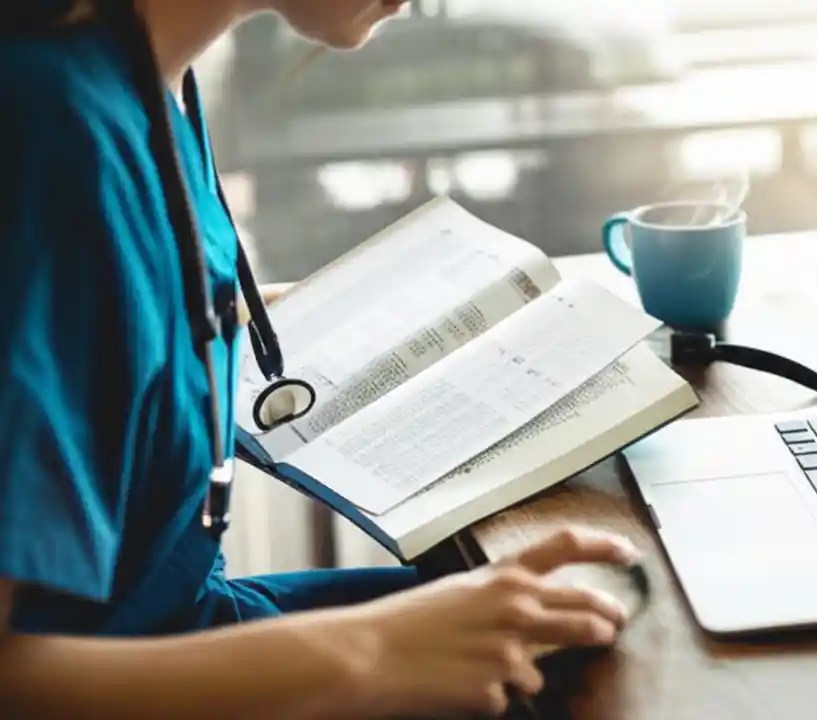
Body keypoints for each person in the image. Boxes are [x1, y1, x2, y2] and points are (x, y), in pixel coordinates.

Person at [0, 1, 639, 717]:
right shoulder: (48, 131)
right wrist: (370, 653)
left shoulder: (151, 80)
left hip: (192, 628)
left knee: (595, 625)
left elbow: (123, 315)